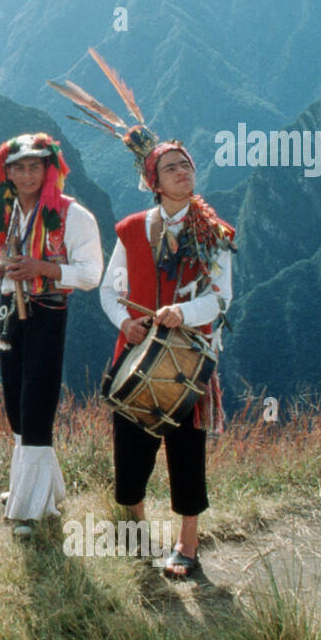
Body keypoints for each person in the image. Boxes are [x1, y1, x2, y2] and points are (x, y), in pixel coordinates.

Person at [98, 140, 235, 578]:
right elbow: (109, 290)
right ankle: (136, 532)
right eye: (171, 167)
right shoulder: (132, 230)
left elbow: (221, 298)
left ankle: (187, 542)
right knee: (130, 449)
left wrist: (183, 313)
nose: (182, 171)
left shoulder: (213, 233)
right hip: (138, 352)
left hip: (188, 359)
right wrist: (125, 323)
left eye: (186, 164)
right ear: (153, 183)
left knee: (186, 450)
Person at [0, 132, 103, 536]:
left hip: (48, 313)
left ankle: (30, 510)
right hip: (9, 312)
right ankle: (39, 489)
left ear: (49, 170)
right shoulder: (1, 211)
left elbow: (91, 275)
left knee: (37, 403)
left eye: (35, 166)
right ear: (7, 172)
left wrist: (42, 268)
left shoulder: (72, 214)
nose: (27, 174)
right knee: (16, 403)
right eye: (19, 167)